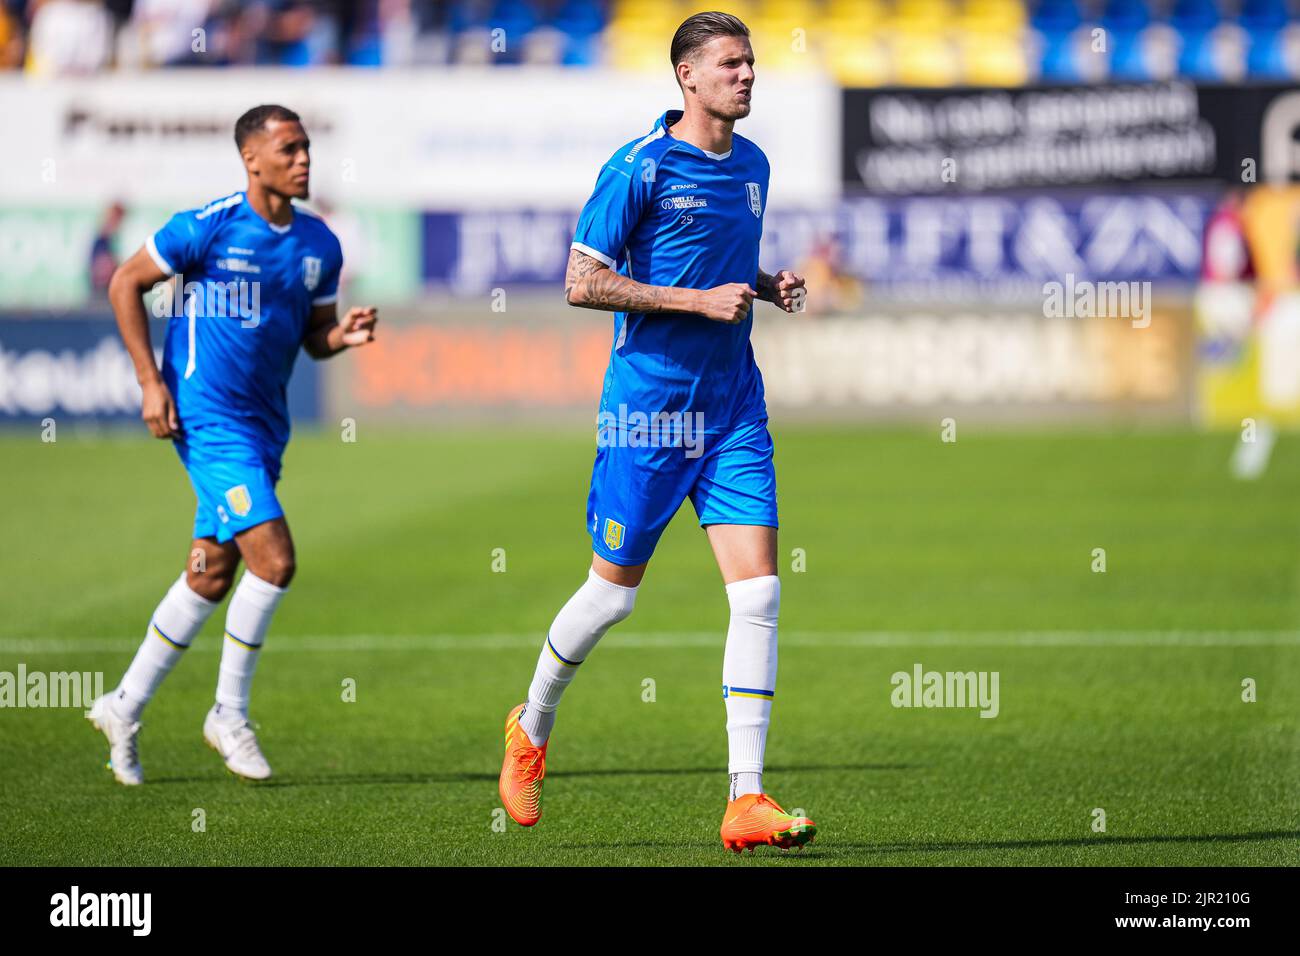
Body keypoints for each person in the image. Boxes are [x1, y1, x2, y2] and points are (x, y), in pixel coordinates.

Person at [498, 11, 816, 853]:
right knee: (612, 595)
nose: (747, 75)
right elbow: (580, 281)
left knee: (759, 594)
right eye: (730, 64)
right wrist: (695, 302)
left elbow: (711, 268)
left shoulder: (753, 165)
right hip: (648, 412)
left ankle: (746, 799)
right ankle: (531, 728)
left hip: (732, 408)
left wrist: (759, 284)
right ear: (687, 77)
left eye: (751, 62)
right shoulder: (638, 167)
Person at [88, 104, 379, 785]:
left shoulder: (319, 244)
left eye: (306, 146)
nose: (303, 158)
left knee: (211, 573)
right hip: (206, 418)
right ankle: (228, 713)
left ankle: (123, 706)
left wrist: (344, 337)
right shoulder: (208, 226)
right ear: (252, 160)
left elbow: (316, 335)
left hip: (263, 426)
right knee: (274, 561)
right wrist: (148, 383)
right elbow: (124, 282)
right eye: (289, 149)